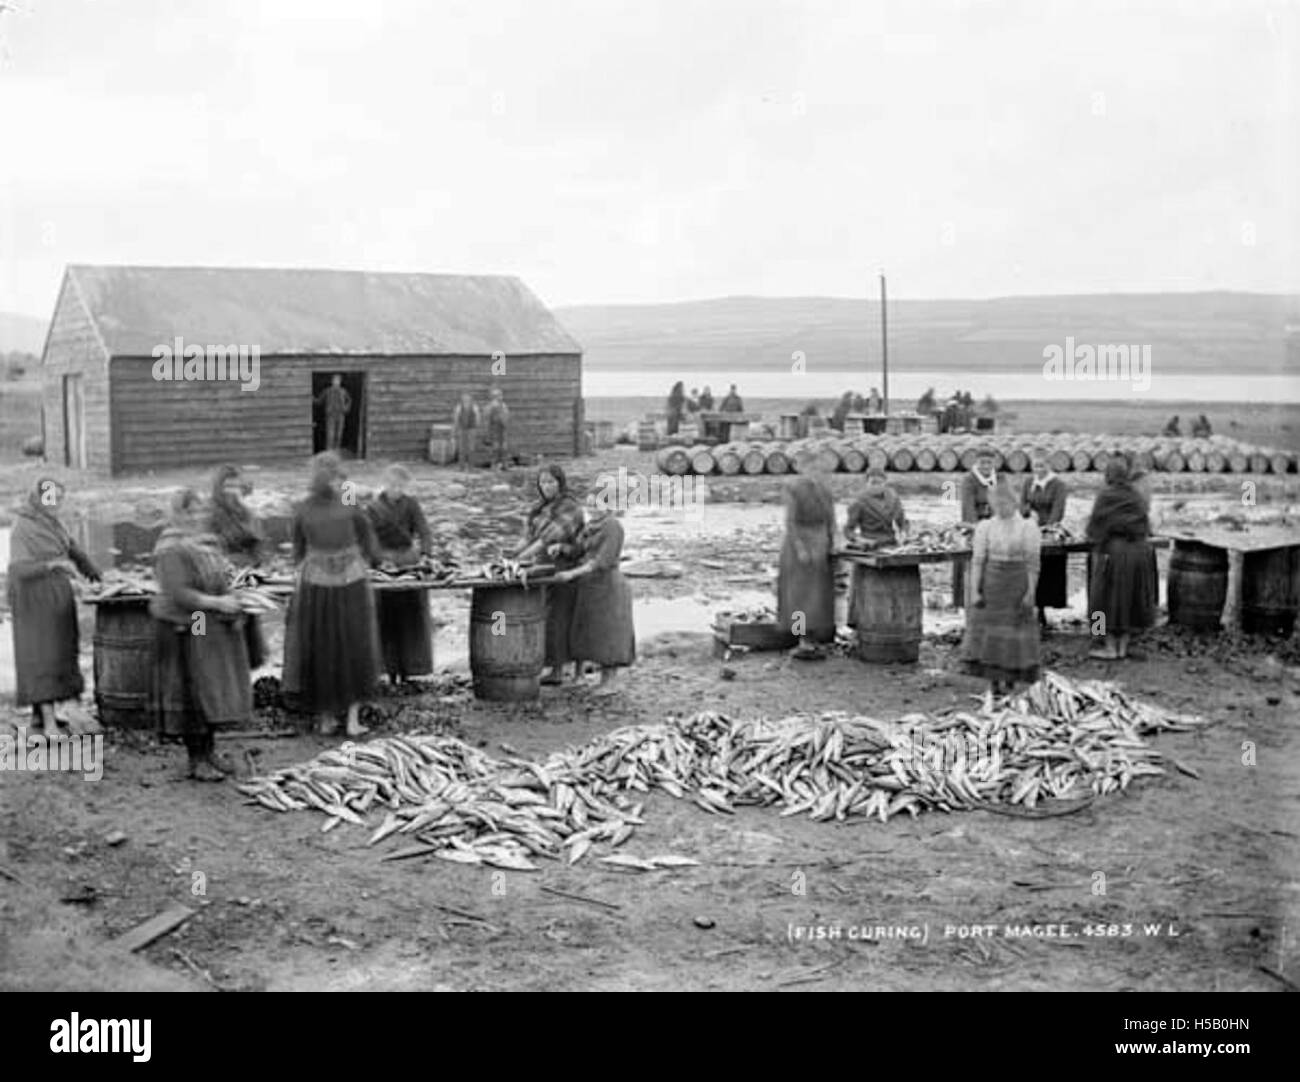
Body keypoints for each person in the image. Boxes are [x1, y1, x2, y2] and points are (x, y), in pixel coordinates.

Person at [150, 488, 251, 781]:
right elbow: (179, 593)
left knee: (207, 681)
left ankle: (209, 751)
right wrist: (217, 603)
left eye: (199, 511)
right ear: (178, 515)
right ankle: (197, 759)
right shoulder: (170, 547)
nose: (196, 517)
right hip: (182, 623)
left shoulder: (204, 543)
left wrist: (233, 596)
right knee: (192, 687)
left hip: (200, 620)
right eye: (189, 512)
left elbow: (218, 576)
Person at [283, 452, 382, 735]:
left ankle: (340, 718)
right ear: (327, 479)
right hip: (343, 584)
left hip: (323, 583)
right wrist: (374, 558)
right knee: (348, 646)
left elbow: (298, 549)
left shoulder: (305, 507)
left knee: (330, 647)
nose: (342, 483)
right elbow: (365, 532)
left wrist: (373, 557)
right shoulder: (316, 505)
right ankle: (337, 718)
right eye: (338, 478)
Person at [7, 477, 101, 737]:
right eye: (49, 497)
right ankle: (47, 725)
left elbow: (72, 548)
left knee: (62, 652)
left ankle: (53, 715)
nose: (54, 503)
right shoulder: (23, 528)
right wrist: (54, 565)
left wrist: (94, 572)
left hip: (57, 597)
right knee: (42, 657)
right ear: (37, 498)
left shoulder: (55, 523)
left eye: (59, 498)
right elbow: (18, 569)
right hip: (33, 601)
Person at [962, 478, 1042, 695]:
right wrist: (975, 590)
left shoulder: (1028, 527)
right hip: (992, 584)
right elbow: (978, 560)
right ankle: (993, 682)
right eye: (996, 505)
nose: (1000, 509)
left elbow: (1033, 564)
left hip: (1016, 583)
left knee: (1014, 634)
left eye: (1004, 504)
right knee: (991, 635)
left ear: (1014, 503)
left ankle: (1012, 681)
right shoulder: (985, 527)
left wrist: (1030, 592)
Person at [554, 493, 635, 696]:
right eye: (589, 504)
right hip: (588, 585)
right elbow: (579, 550)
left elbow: (602, 561)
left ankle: (610, 681)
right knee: (585, 630)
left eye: (597, 504)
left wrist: (572, 573)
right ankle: (579, 676)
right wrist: (562, 547)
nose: (592, 508)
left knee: (608, 633)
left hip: (607, 585)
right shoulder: (589, 527)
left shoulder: (612, 526)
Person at [516, 464, 586, 685]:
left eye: (551, 482)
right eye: (543, 482)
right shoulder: (537, 508)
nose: (546, 486)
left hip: (566, 566)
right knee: (546, 616)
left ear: (560, 483)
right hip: (543, 566)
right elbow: (527, 538)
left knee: (562, 618)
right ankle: (551, 668)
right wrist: (513, 553)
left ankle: (566, 670)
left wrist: (523, 557)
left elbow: (546, 539)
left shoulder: (571, 507)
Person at [366, 464, 434, 684]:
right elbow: (369, 538)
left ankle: (410, 669)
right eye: (392, 485)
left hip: (408, 561)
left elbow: (424, 531)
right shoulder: (373, 508)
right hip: (383, 564)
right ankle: (387, 669)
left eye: (400, 485)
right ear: (385, 484)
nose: (396, 489)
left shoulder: (412, 504)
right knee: (384, 618)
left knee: (410, 617)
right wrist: (378, 560)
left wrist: (425, 554)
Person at [1085, 457, 1157, 661]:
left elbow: (1094, 528)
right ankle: (1123, 647)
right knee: (1130, 599)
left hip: (1113, 552)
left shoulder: (1105, 495)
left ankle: (1106, 644)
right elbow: (1146, 525)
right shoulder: (1136, 496)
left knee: (1102, 599)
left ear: (1108, 475)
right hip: (1138, 552)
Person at [207, 464, 267, 668]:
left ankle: (247, 667)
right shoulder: (211, 513)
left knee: (248, 624)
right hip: (220, 575)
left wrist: (255, 564)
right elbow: (211, 546)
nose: (232, 491)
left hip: (247, 573)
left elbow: (257, 541)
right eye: (227, 486)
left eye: (235, 485)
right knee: (218, 626)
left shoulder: (246, 512)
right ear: (219, 487)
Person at [777, 472, 837, 659]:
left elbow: (791, 521)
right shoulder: (823, 489)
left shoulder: (793, 488)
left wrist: (800, 547)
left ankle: (802, 640)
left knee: (798, 596)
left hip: (803, 547)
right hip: (820, 543)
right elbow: (832, 520)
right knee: (818, 595)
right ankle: (814, 638)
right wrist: (832, 541)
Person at [1020, 453, 1068, 630]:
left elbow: (1058, 510)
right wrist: (1028, 512)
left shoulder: (1058, 485)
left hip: (1050, 530)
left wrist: (1046, 527)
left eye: (1042, 466)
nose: (1038, 470)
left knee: (1049, 569)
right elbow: (1021, 504)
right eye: (1035, 466)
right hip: (1029, 528)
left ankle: (1044, 610)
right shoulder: (1028, 482)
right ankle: (1031, 608)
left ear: (1049, 465)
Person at [953, 446, 999, 607]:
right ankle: (968, 600)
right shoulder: (969, 480)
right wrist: (977, 526)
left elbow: (1005, 502)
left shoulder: (999, 479)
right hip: (974, 525)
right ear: (976, 463)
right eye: (982, 463)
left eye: (989, 463)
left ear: (994, 463)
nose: (986, 466)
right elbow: (968, 506)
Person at [846, 468, 906, 546]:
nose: (876, 486)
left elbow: (902, 521)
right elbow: (848, 530)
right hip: (870, 544)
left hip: (891, 542)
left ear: (885, 483)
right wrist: (860, 540)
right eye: (873, 483)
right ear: (866, 483)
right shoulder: (859, 502)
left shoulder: (893, 497)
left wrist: (903, 533)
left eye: (880, 483)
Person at [315, 374, 352, 452]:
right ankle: (329, 452)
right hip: (331, 415)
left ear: (340, 382)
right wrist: (311, 398)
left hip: (340, 415)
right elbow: (319, 400)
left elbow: (349, 400)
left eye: (337, 381)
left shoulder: (343, 391)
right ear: (332, 382)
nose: (336, 382)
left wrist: (346, 408)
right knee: (330, 435)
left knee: (339, 435)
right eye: (335, 380)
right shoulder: (327, 391)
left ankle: (336, 451)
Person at [452, 392, 480, 471]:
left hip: (471, 429)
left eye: (467, 398)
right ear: (462, 399)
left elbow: (477, 416)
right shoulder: (459, 407)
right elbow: (456, 417)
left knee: (471, 448)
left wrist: (476, 425)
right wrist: (456, 427)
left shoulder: (474, 406)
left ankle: (471, 467)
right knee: (461, 448)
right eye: (464, 398)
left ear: (470, 399)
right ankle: (461, 467)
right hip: (462, 428)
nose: (466, 399)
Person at [484, 387, 511, 469]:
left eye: (500, 395)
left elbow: (507, 416)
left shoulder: (503, 405)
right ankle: (494, 464)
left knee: (504, 447)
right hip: (494, 429)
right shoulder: (490, 407)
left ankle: (504, 464)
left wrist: (505, 422)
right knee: (495, 447)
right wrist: (488, 432)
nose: (499, 397)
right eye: (497, 395)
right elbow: (487, 419)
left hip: (503, 429)